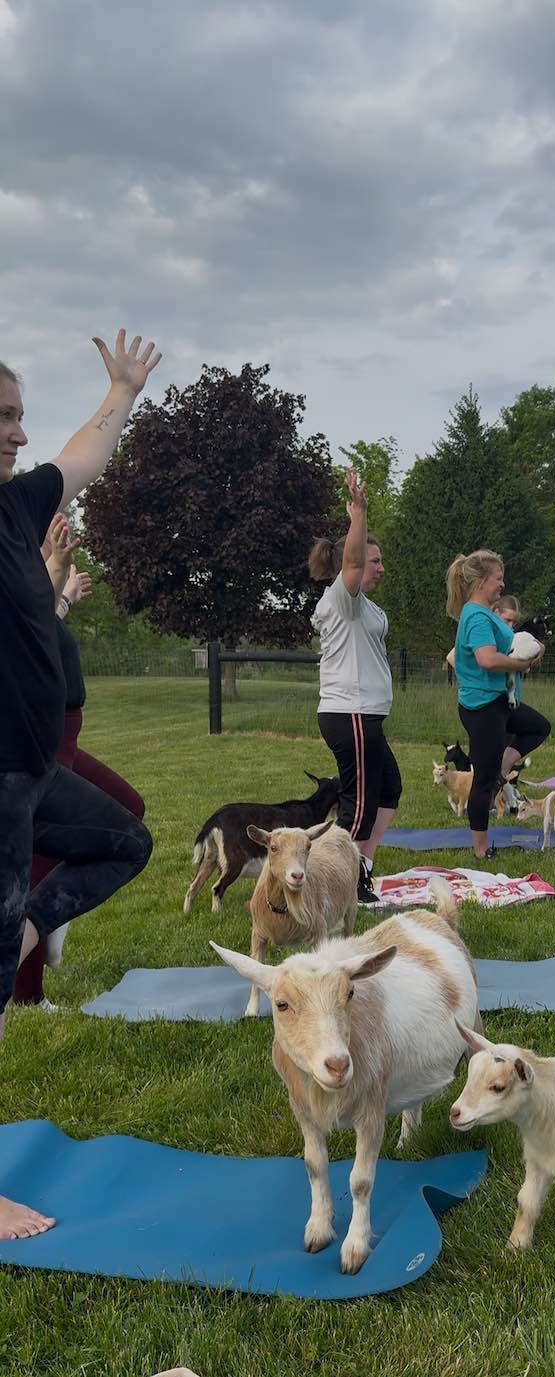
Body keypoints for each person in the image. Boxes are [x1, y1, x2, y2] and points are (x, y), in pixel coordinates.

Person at [0, 329, 160, 1240]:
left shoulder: (17, 510)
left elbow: (80, 456)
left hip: (32, 771)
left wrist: (122, 390)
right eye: (3, 417)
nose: (20, 435)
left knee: (127, 839)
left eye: (21, 416)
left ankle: (26, 927)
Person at [13, 517, 146, 1010]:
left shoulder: (29, 579)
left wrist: (63, 593)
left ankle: (54, 916)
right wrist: (52, 569)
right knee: (40, 862)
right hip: (49, 734)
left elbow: (41, 627)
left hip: (68, 728)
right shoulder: (16, 576)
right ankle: (27, 993)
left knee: (129, 806)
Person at [308, 470, 401, 905]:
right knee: (358, 805)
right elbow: (351, 563)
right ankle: (340, 883)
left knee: (389, 789)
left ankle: (361, 869)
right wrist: (359, 514)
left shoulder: (365, 606)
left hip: (367, 715)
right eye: (374, 561)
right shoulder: (341, 601)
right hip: (351, 714)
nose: (380, 568)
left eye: (379, 561)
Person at [446, 550, 550, 859]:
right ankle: (480, 849)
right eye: (498, 578)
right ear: (480, 581)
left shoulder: (487, 612)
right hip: (483, 706)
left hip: (500, 702)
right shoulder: (476, 615)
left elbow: (507, 649)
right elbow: (487, 659)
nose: (502, 584)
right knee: (483, 781)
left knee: (538, 727)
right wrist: (520, 665)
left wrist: (530, 651)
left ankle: (504, 765)